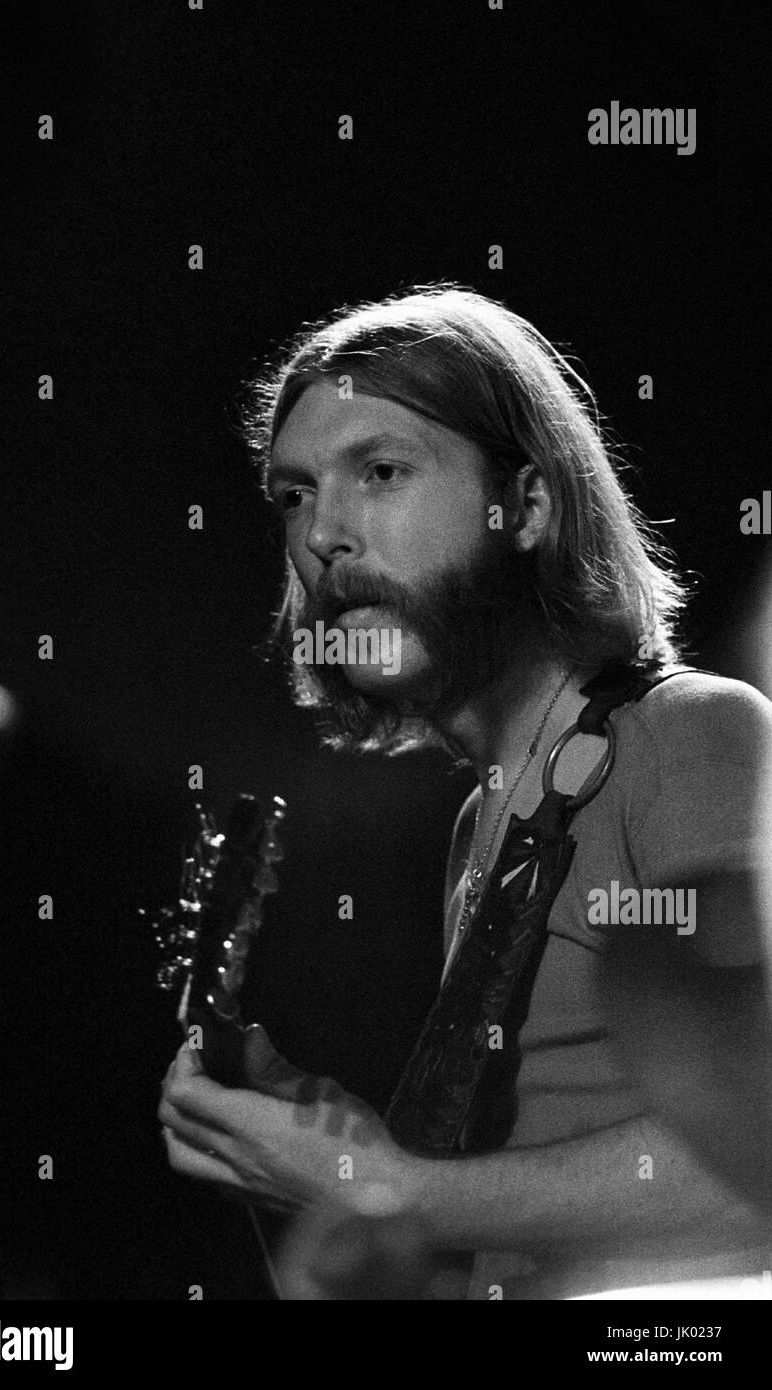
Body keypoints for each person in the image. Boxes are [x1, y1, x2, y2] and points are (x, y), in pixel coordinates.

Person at [159, 284, 772, 1299]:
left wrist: (399, 1188)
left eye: (382, 471)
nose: (324, 536)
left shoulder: (692, 731)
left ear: (526, 504)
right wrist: (322, 1164)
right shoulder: (481, 825)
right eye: (294, 494)